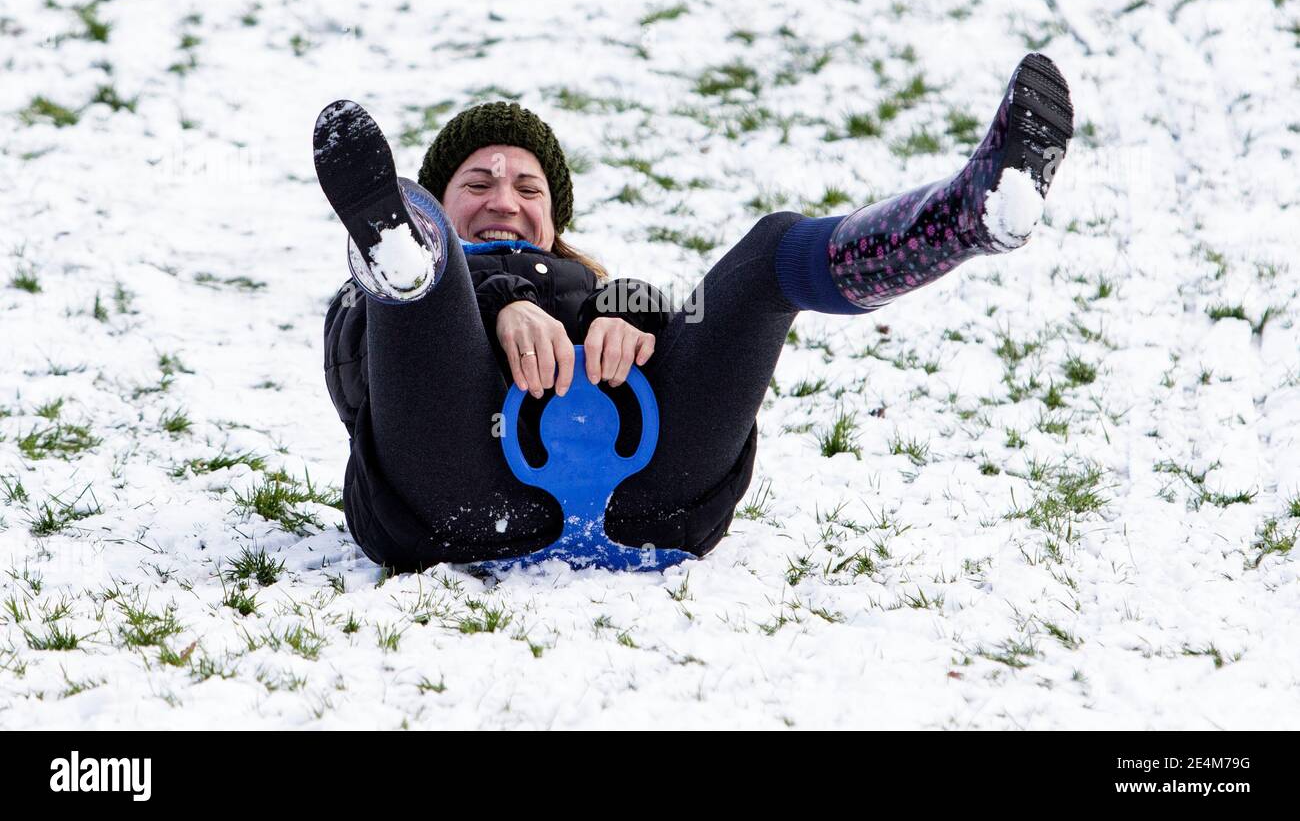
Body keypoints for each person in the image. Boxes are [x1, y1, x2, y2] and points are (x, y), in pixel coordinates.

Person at [319, 53, 1073, 573]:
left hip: (651, 497)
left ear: (556, 221)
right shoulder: (374, 295)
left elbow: (683, 326)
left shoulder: (591, 282)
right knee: (420, 280)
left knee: (771, 252)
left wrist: (632, 312)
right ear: (443, 203)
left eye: (528, 187)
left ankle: (966, 215)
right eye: (476, 183)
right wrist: (497, 305)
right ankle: (408, 246)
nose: (504, 198)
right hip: (452, 491)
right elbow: (356, 368)